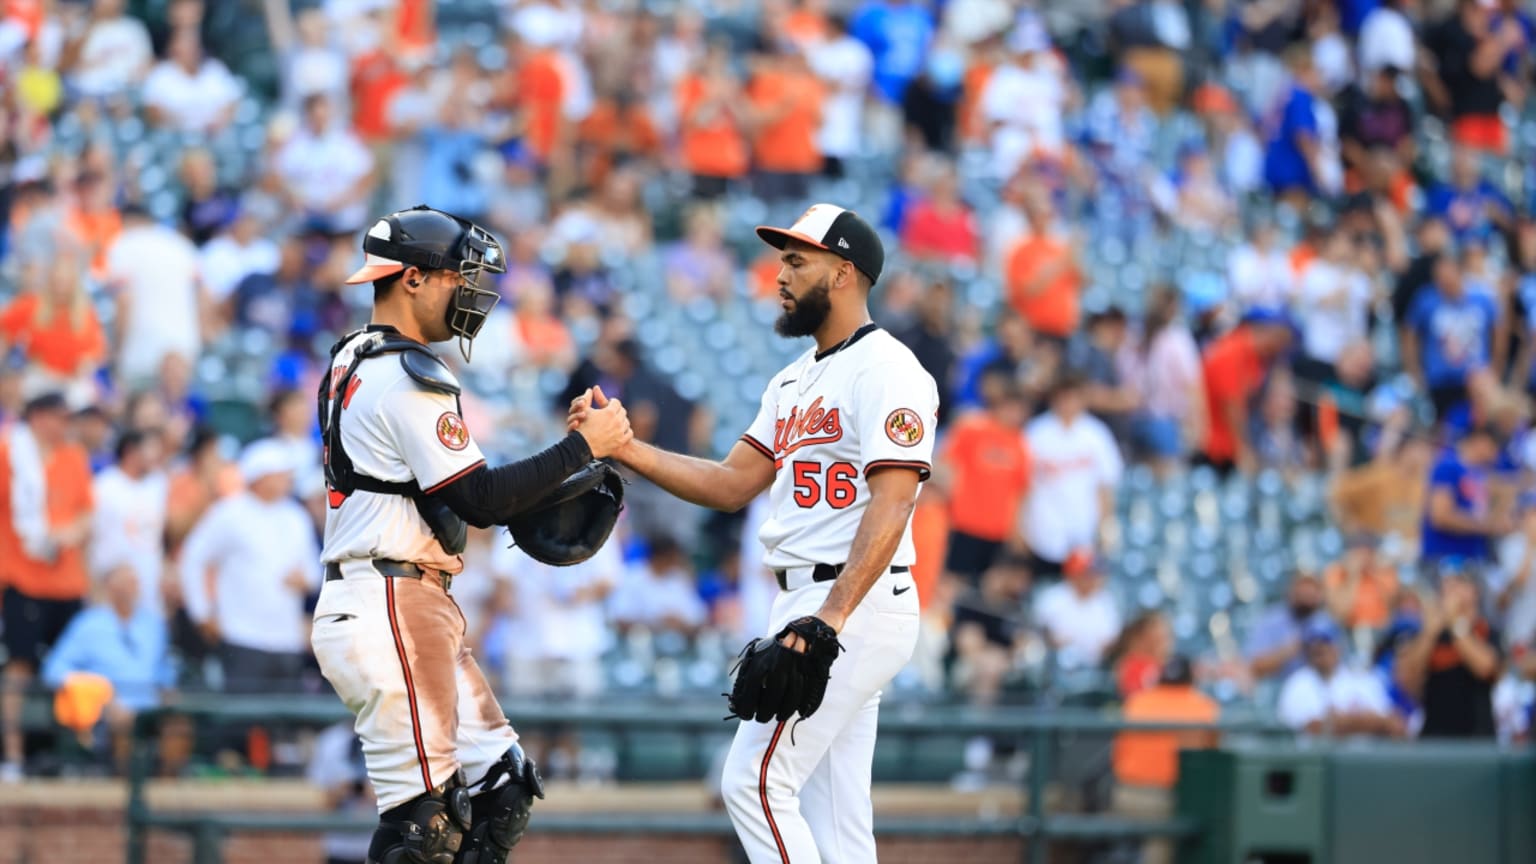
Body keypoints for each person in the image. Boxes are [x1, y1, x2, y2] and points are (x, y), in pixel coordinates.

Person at [568, 203, 937, 863]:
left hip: (852, 603)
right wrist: (626, 447)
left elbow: (894, 501)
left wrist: (829, 618)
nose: (781, 273)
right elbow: (731, 481)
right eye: (781, 259)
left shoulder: (890, 368)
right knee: (836, 818)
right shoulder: (792, 381)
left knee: (753, 782)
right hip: (813, 601)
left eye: (798, 260)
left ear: (845, 272)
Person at [311, 205, 633, 864]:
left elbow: (455, 500)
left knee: (502, 790)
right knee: (423, 832)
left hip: (409, 597)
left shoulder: (355, 357)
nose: (469, 290)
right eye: (457, 276)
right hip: (388, 599)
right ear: (411, 280)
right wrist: (580, 448)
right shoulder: (404, 373)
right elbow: (480, 500)